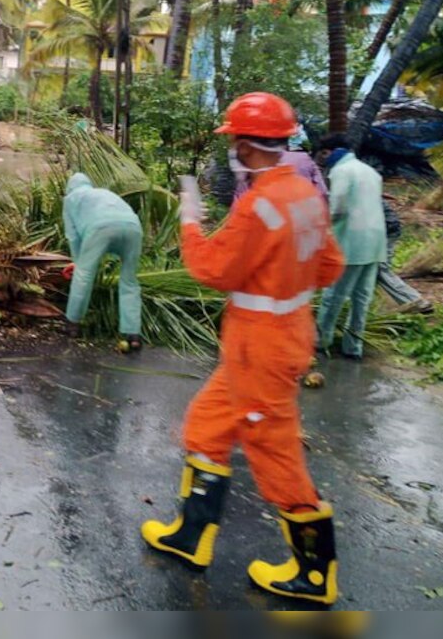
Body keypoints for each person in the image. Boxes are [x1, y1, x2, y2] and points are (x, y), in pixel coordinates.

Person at [141, 92, 345, 606]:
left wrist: (189, 220)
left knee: (274, 453)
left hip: (261, 346)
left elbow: (214, 270)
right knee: (205, 427)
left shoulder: (260, 204)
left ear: (249, 147)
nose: (231, 147)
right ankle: (190, 538)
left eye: (233, 139)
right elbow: (328, 267)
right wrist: (283, 279)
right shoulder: (304, 195)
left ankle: (314, 574)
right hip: (282, 335)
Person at [315, 133, 387, 360]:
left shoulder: (342, 171)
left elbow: (338, 209)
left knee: (333, 295)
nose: (321, 161)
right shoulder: (371, 172)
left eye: (321, 155)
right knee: (361, 298)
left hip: (351, 242)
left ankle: (320, 341)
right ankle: (353, 347)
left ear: (328, 152)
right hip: (375, 242)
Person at [60, 173, 143, 351]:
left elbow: (72, 236)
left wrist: (77, 261)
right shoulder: (104, 194)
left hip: (100, 228)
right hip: (133, 227)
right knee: (129, 281)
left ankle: (72, 324)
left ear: (69, 188)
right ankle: (133, 334)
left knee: (84, 275)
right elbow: (118, 227)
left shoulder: (71, 199)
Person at [377, 198, 433, 313]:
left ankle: (416, 302)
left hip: (384, 230)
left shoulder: (353, 189)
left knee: (380, 270)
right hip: (385, 228)